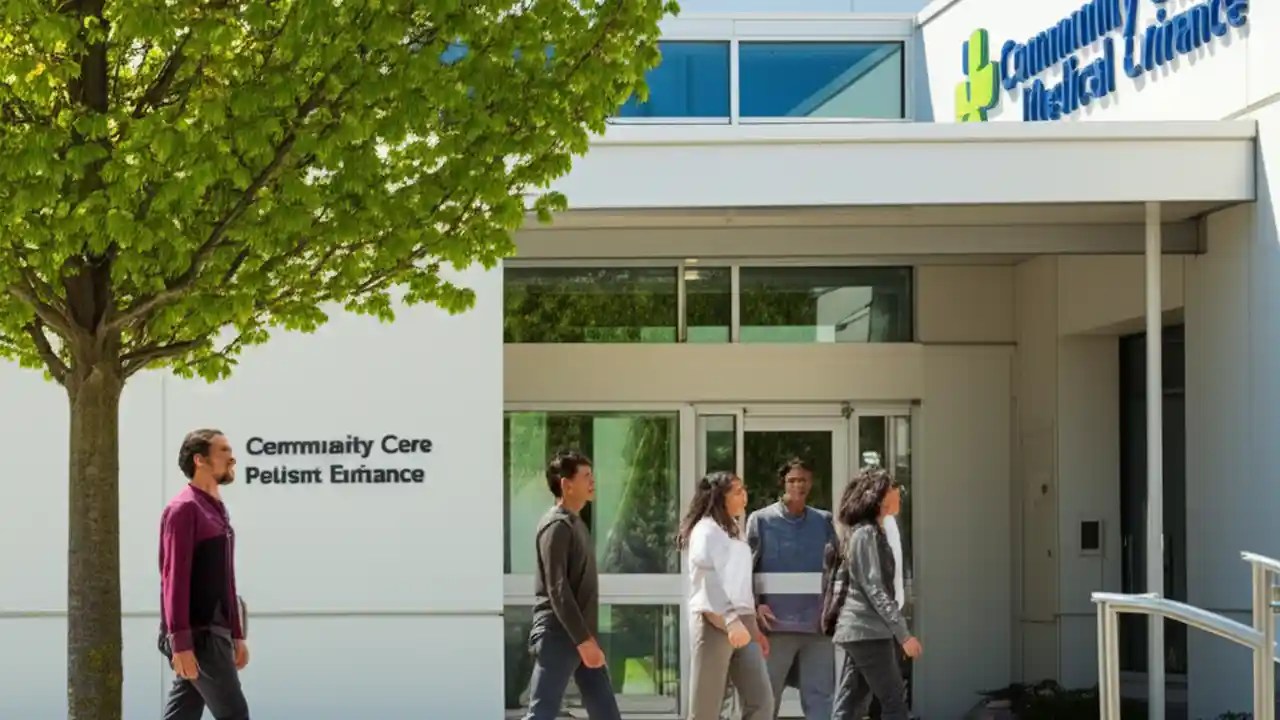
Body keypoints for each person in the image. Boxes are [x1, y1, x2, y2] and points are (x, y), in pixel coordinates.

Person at [159, 429, 250, 720]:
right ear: (200, 460)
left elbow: (227, 579)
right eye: (223, 450)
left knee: (182, 715)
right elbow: (174, 578)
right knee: (235, 714)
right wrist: (181, 643)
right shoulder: (184, 509)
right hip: (199, 635)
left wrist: (236, 634)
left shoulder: (217, 510)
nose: (231, 457)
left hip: (215, 632)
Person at [522, 450, 620, 720]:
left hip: (580, 635)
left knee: (606, 712)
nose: (593, 481)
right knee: (541, 713)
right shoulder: (556, 526)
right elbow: (557, 588)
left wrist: (586, 639)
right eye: (586, 476)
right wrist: (582, 640)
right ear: (566, 484)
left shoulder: (576, 524)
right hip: (558, 634)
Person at [745, 458, 837, 720]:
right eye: (792, 480)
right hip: (774, 627)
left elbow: (836, 569)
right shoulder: (761, 520)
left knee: (820, 697)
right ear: (783, 483)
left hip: (817, 627)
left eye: (803, 480)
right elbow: (745, 568)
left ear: (811, 484)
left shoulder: (824, 521)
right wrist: (754, 605)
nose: (798, 485)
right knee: (766, 698)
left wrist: (832, 612)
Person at [679, 471, 773, 720]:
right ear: (720, 498)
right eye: (738, 491)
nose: (745, 496)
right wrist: (730, 620)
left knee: (761, 702)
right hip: (714, 622)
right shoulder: (705, 531)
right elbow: (708, 579)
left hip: (742, 625)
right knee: (706, 711)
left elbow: (740, 585)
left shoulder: (734, 531)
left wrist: (753, 629)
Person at [829, 467, 922, 720]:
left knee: (850, 704)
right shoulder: (866, 533)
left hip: (862, 631)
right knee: (893, 702)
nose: (899, 494)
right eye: (894, 490)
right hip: (868, 631)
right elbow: (875, 588)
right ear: (880, 497)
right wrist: (903, 635)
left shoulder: (872, 532)